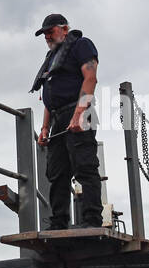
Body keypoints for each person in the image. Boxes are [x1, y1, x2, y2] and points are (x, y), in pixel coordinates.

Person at [30, 13, 101, 229]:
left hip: (79, 111)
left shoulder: (81, 45)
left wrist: (79, 113)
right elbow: (49, 98)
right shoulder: (51, 58)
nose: (47, 36)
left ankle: (92, 220)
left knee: (84, 167)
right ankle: (58, 222)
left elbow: (91, 78)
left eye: (50, 31)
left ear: (64, 29)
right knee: (57, 172)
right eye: (44, 34)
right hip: (57, 119)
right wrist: (44, 128)